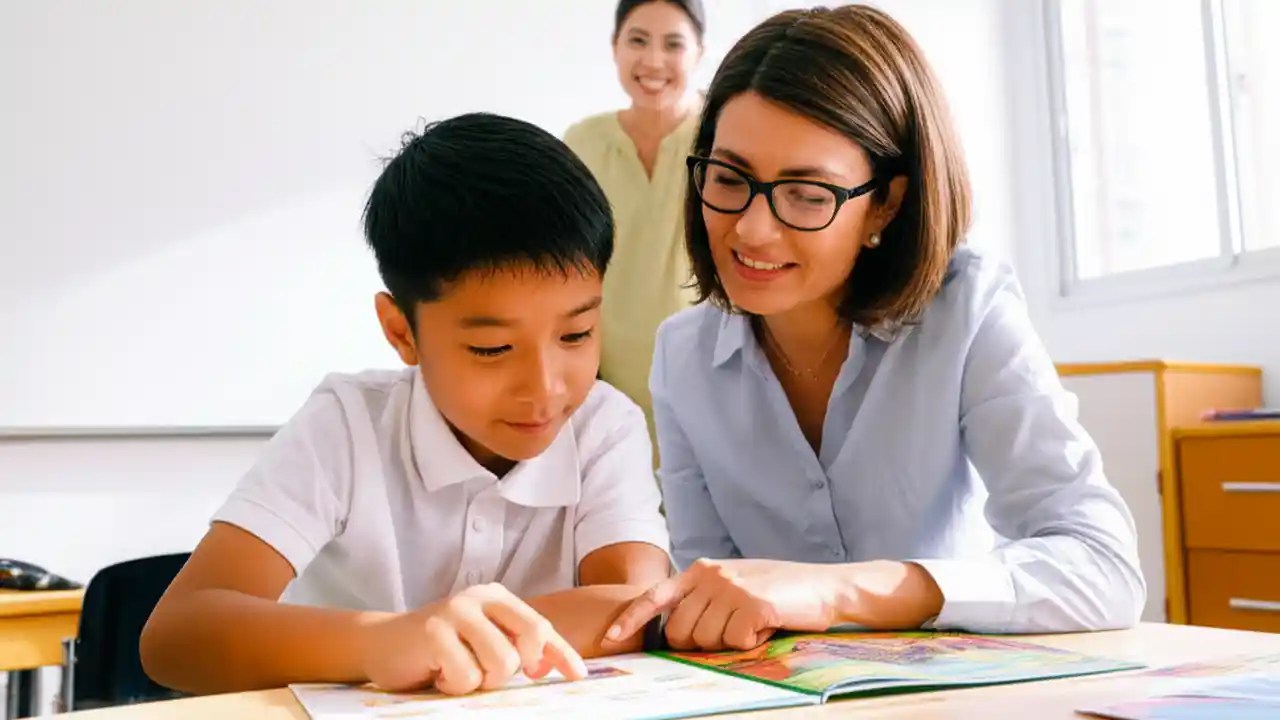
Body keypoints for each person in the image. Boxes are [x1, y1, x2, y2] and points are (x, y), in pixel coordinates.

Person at [605, 5, 1145, 652]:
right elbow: (706, 595)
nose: (750, 228)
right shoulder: (683, 356)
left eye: (806, 193)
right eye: (728, 178)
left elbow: (1105, 568)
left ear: (886, 203)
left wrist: (839, 591)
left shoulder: (965, 309)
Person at [140, 114, 671, 696]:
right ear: (401, 332)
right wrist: (385, 639)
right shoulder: (346, 425)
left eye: (576, 335)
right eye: (491, 348)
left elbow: (633, 613)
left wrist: (457, 633)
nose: (546, 386)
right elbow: (177, 637)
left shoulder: (604, 426)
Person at [563, 0, 705, 429]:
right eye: (638, 40)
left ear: (699, 52)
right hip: (602, 381)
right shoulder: (583, 142)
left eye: (673, 44)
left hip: (705, 373)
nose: (654, 61)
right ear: (615, 48)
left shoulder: (722, 137)